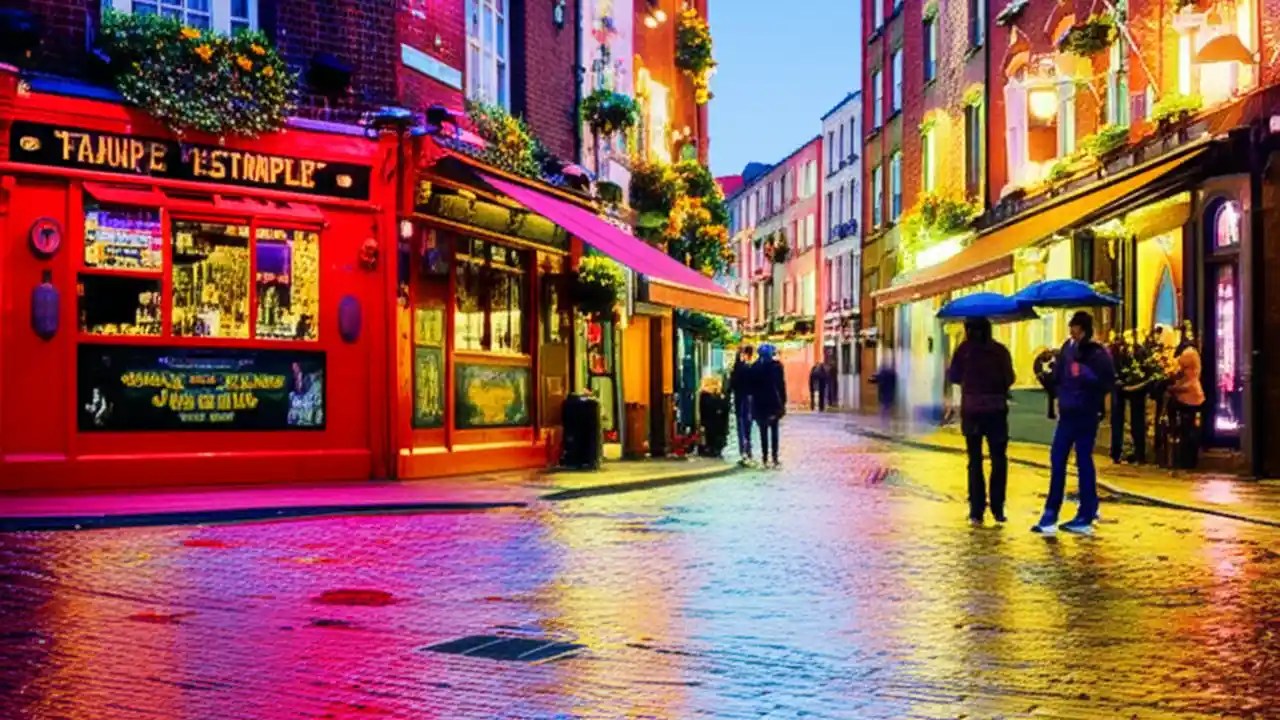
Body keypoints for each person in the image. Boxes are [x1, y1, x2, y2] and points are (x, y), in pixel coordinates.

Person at [1034, 311, 1116, 535]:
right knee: (1057, 458)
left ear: (1084, 329)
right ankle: (1051, 512)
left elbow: (1107, 381)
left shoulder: (1096, 353)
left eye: (1076, 327)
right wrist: (1050, 381)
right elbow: (1059, 377)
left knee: (1083, 461)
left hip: (1086, 414)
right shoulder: (1067, 349)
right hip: (1068, 413)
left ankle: (1086, 511)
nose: (1072, 331)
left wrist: (1086, 374)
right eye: (1071, 327)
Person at [946, 317, 1016, 524]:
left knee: (975, 461)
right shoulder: (1000, 351)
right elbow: (1009, 378)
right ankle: (998, 507)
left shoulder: (964, 351)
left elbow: (954, 376)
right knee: (999, 459)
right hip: (996, 410)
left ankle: (976, 510)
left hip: (973, 411)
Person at [1167, 336, 1205, 469]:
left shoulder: (1188, 354)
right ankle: (1189, 459)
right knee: (1190, 428)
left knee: (1187, 429)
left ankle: (1187, 460)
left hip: (1188, 396)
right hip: (1193, 395)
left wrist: (1172, 386)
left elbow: (1174, 368)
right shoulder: (1194, 354)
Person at [751, 343, 787, 468]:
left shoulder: (755, 367)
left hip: (759, 404)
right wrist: (783, 403)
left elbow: (752, 389)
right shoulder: (777, 367)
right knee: (774, 431)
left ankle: (765, 457)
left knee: (763, 432)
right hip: (774, 404)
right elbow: (781, 386)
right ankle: (774, 457)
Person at [728, 345, 757, 466]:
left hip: (740, 398)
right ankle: (748, 450)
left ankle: (743, 451)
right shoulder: (750, 368)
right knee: (747, 424)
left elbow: (732, 384)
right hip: (749, 398)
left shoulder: (737, 369)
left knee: (741, 425)